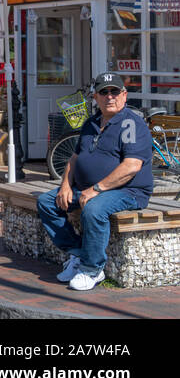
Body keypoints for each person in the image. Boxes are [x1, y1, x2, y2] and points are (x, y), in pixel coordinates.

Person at [37, 73, 152, 292]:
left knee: (93, 209)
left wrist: (96, 189)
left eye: (114, 92)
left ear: (124, 95)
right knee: (46, 202)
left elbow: (132, 166)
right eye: (104, 92)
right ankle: (79, 254)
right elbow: (75, 158)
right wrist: (66, 185)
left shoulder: (130, 123)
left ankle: (92, 269)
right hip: (87, 188)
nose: (110, 97)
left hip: (128, 191)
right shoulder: (91, 123)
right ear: (95, 97)